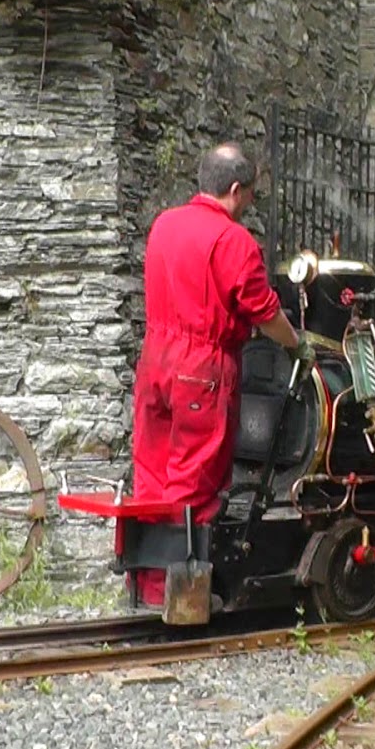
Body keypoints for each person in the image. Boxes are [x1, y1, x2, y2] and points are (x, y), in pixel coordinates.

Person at [128, 142, 312, 607]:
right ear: (235, 189)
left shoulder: (164, 224)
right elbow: (263, 310)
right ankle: (186, 593)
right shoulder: (234, 242)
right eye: (249, 197)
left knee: (152, 472)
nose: (248, 206)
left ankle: (148, 586)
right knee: (197, 478)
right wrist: (298, 344)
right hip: (202, 366)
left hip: (155, 358)